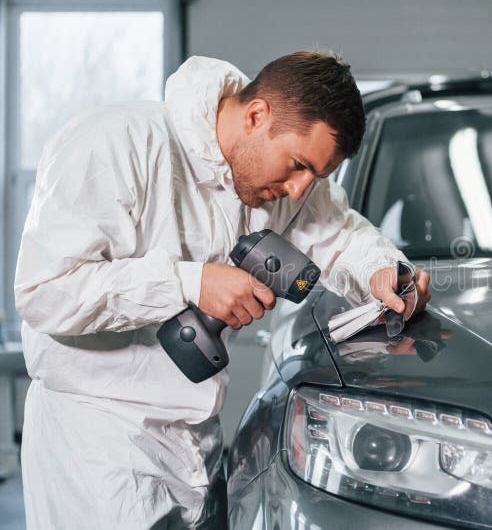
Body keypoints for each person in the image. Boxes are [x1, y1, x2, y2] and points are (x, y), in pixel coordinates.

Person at [14, 52, 431, 529]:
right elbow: (44, 291)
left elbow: (344, 237)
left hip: (198, 445)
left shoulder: (279, 186)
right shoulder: (119, 143)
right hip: (97, 448)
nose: (300, 189)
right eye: (298, 165)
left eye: (315, 176)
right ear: (256, 116)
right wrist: (189, 282)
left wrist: (385, 272)